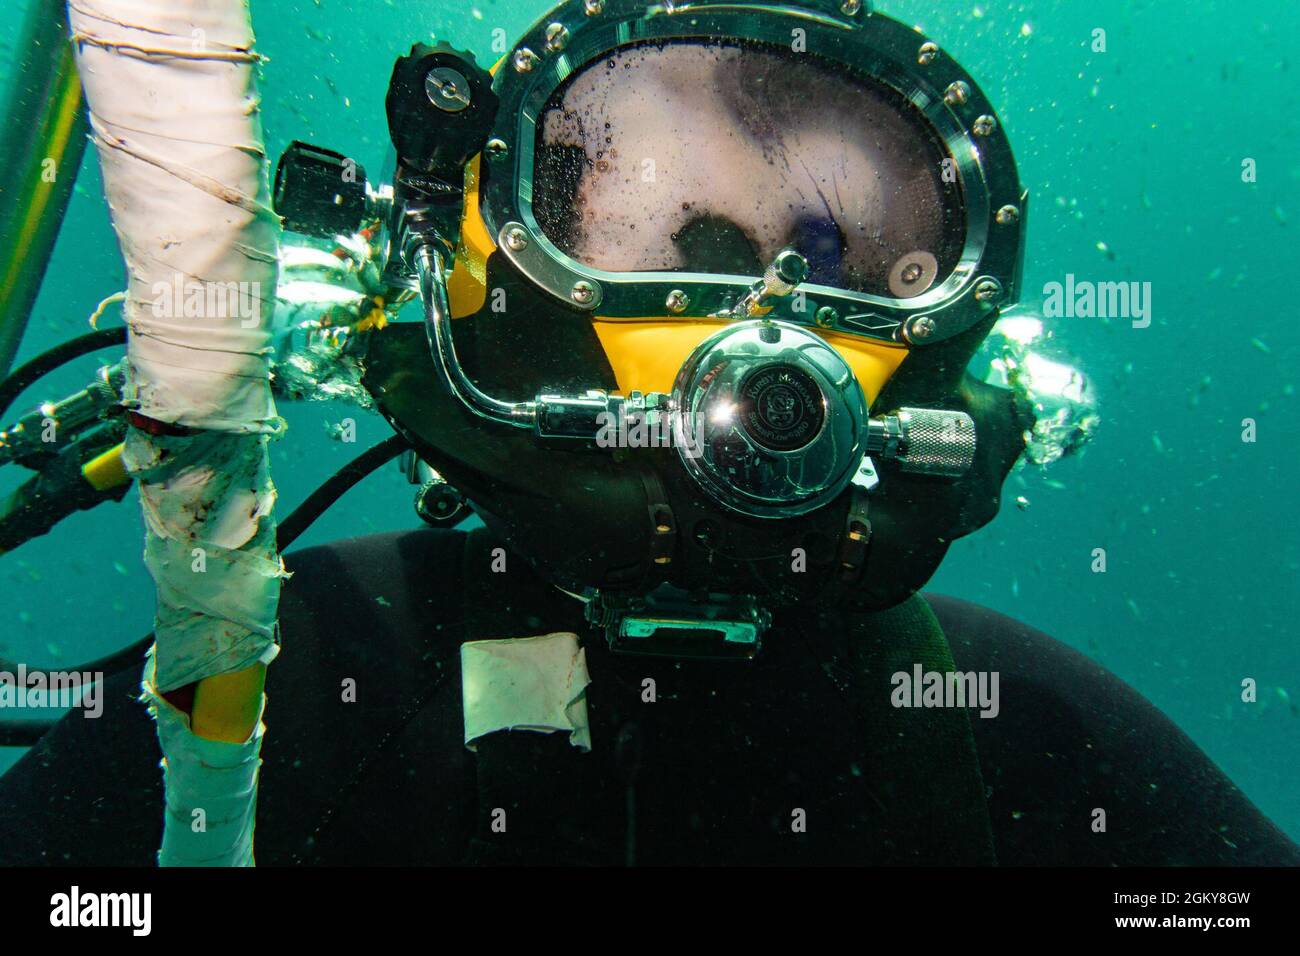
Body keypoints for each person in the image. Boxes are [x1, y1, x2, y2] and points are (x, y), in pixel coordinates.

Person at [2, 0, 1296, 866]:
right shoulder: (268, 699)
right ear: (487, 282)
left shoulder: (1017, 726)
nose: (762, 330)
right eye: (670, 242)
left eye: (840, 252)